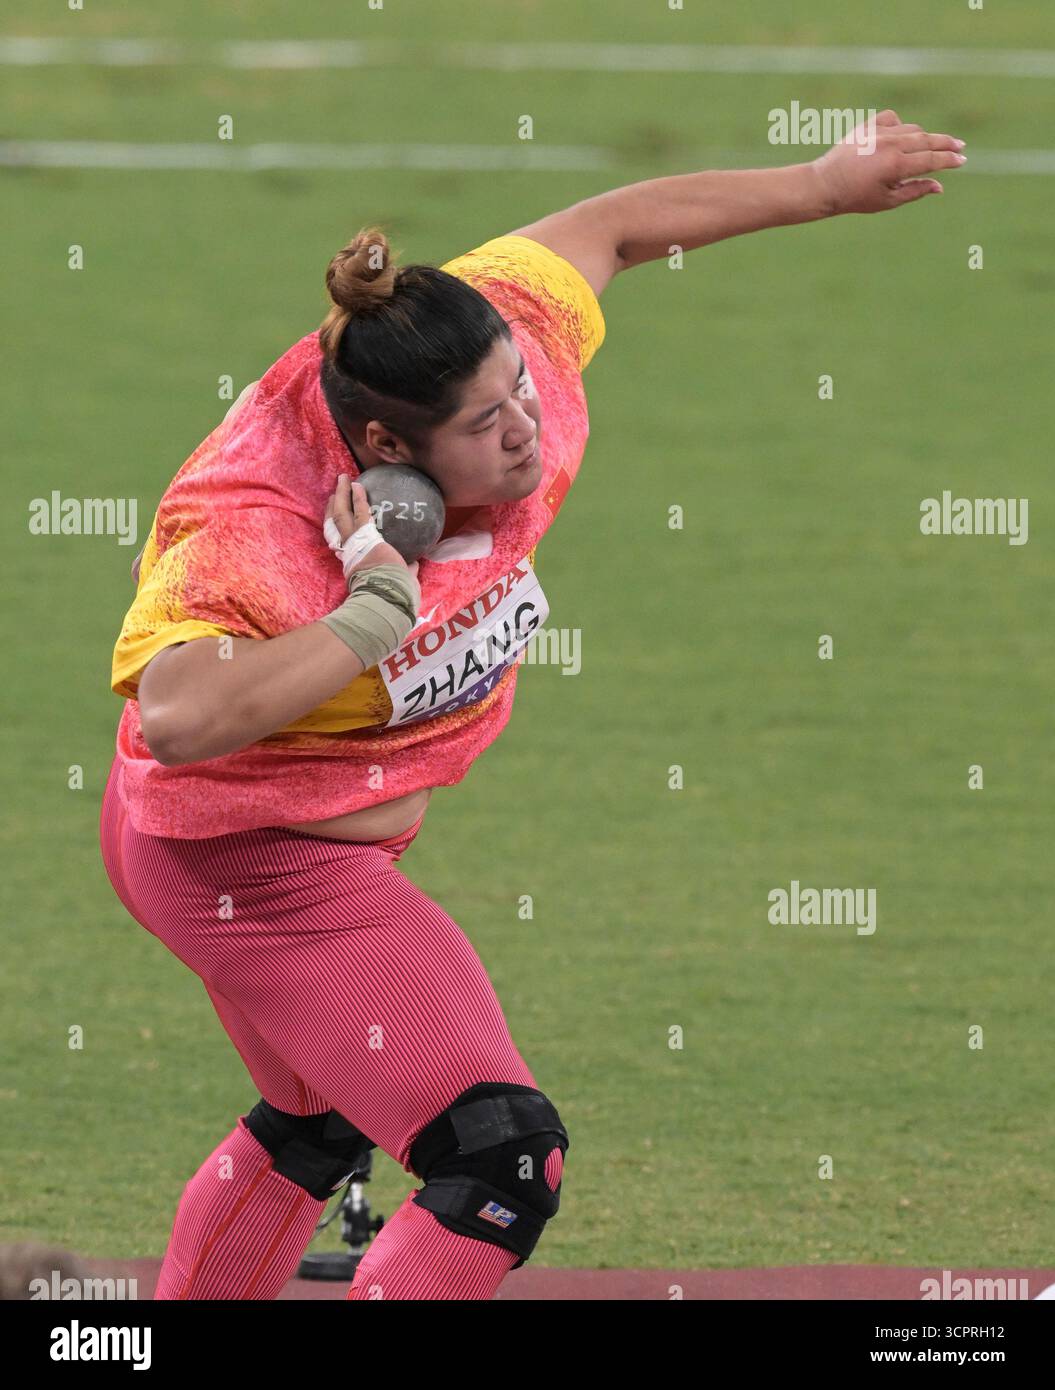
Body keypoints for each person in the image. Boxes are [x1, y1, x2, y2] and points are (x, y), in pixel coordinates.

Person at [99, 111, 963, 1301]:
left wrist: (820, 183)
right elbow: (179, 720)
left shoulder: (486, 344)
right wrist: (366, 617)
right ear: (386, 446)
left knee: (316, 1124)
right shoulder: (252, 527)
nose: (527, 428)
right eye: (485, 423)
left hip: (280, 851)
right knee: (501, 1156)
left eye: (519, 390)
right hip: (253, 869)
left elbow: (612, 228)